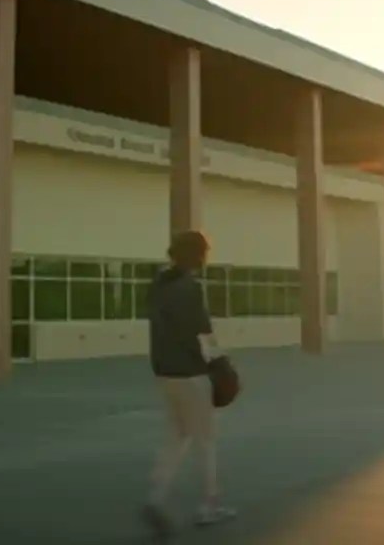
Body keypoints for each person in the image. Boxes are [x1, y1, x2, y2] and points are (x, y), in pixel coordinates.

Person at [142, 231, 235, 540]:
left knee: (176, 435)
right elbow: (203, 333)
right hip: (192, 373)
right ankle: (209, 505)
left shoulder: (158, 286)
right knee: (205, 439)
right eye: (203, 252)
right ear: (194, 255)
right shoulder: (190, 289)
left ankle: (155, 497)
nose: (206, 257)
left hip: (164, 372)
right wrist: (221, 365)